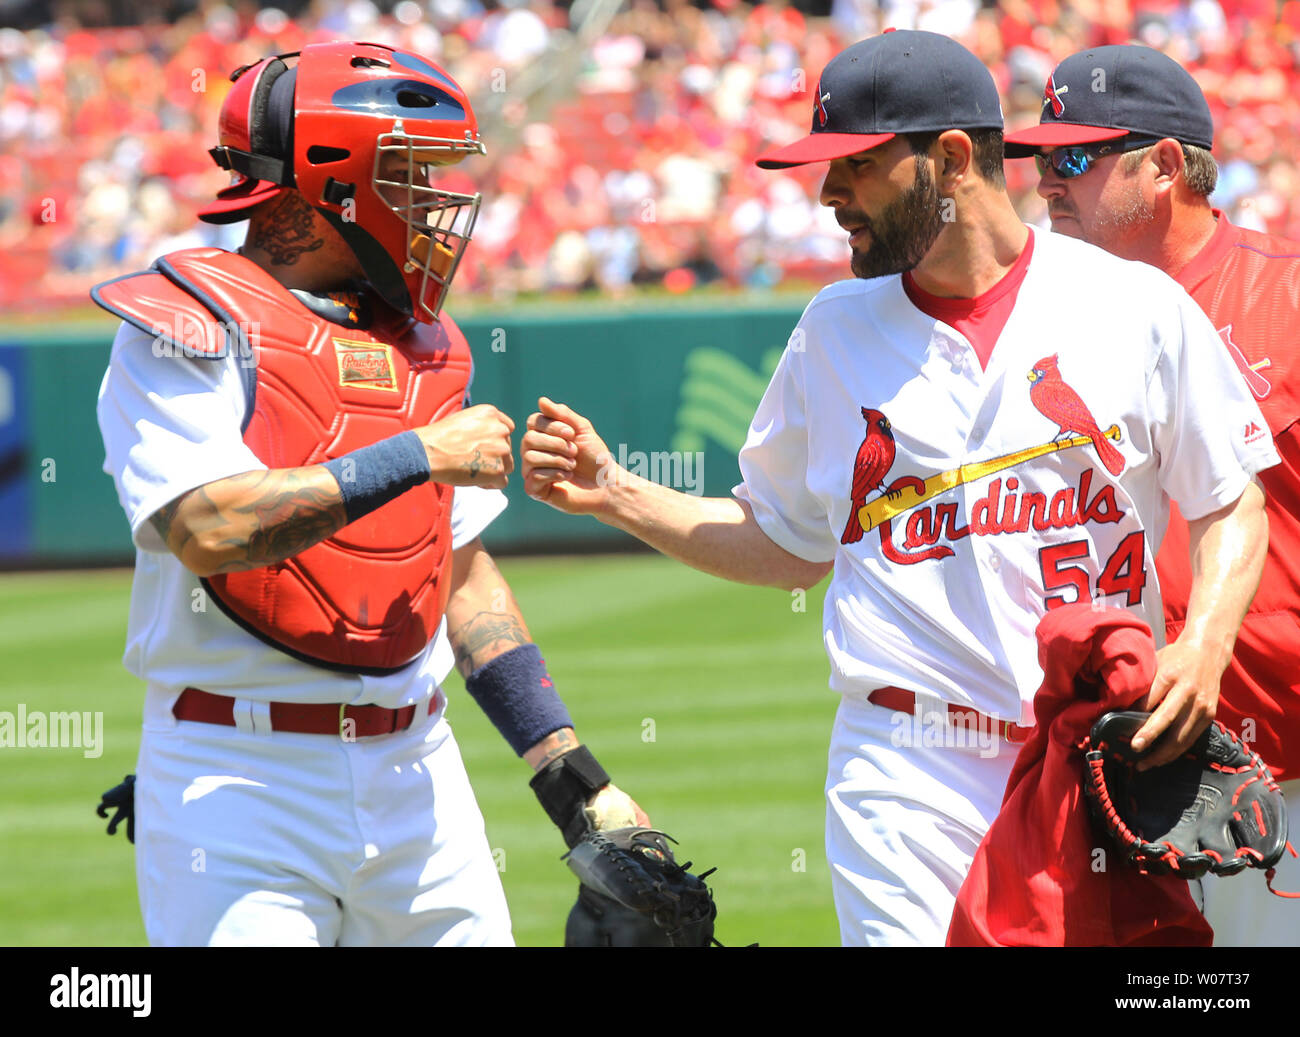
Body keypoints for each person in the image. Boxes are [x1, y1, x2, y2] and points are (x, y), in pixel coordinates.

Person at [519, 30, 1278, 946]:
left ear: (952, 159)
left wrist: (1204, 646)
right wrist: (618, 494)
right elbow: (788, 541)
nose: (830, 193)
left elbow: (1231, 495)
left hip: (1098, 756)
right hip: (908, 763)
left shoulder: (1132, 305)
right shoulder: (833, 332)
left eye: (858, 165)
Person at [92, 41, 648, 946]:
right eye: (412, 174)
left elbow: (459, 578)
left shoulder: (423, 343)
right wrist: (417, 453)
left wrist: (575, 781)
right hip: (238, 777)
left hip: (416, 768)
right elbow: (209, 525)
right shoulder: (182, 321)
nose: (435, 202)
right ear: (333, 180)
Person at [1004, 44, 1300, 945]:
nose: (1049, 184)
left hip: (1281, 779)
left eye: (1075, 159)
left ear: (1164, 165)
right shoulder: (1037, 319)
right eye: (1043, 161)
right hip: (1101, 782)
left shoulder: (1284, 295)